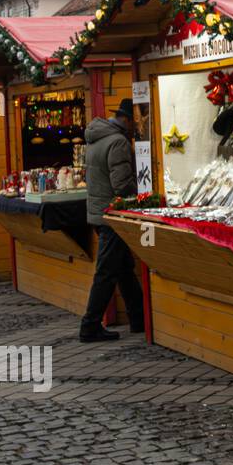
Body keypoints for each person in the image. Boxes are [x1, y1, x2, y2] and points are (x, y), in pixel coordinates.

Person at [79, 97, 144, 342]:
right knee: (106, 271)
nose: (136, 127)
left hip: (98, 212)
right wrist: (142, 191)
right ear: (126, 119)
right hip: (112, 216)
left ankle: (138, 318)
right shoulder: (117, 142)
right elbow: (121, 185)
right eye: (134, 121)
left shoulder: (96, 138)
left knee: (123, 268)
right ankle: (90, 325)